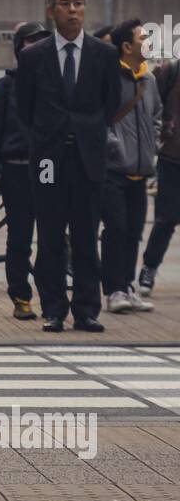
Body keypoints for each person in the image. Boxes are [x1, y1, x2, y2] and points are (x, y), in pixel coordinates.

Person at [15, 0, 122, 333]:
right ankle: (54, 309)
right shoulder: (33, 56)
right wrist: (44, 138)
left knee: (86, 236)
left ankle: (87, 310)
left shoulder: (104, 54)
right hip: (48, 160)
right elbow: (24, 109)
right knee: (49, 236)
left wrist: (89, 132)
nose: (73, 10)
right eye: (65, 4)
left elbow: (111, 104)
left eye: (78, 3)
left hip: (88, 157)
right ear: (51, 10)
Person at [0, 21, 51, 320]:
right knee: (20, 237)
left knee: (51, 236)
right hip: (15, 169)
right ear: (20, 48)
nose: (37, 47)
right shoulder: (5, 87)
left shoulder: (54, 85)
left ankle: (51, 297)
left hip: (48, 169)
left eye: (42, 41)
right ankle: (21, 296)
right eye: (31, 41)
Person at [101, 19, 160, 314]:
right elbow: (98, 119)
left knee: (134, 231)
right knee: (116, 229)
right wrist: (114, 146)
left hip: (140, 170)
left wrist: (153, 146)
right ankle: (113, 290)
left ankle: (127, 287)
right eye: (143, 37)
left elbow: (156, 116)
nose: (149, 42)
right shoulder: (110, 78)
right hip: (113, 170)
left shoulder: (149, 80)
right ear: (126, 46)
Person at [139, 48, 180, 297]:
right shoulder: (170, 72)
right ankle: (149, 268)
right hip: (172, 158)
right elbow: (151, 107)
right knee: (166, 219)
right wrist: (163, 131)